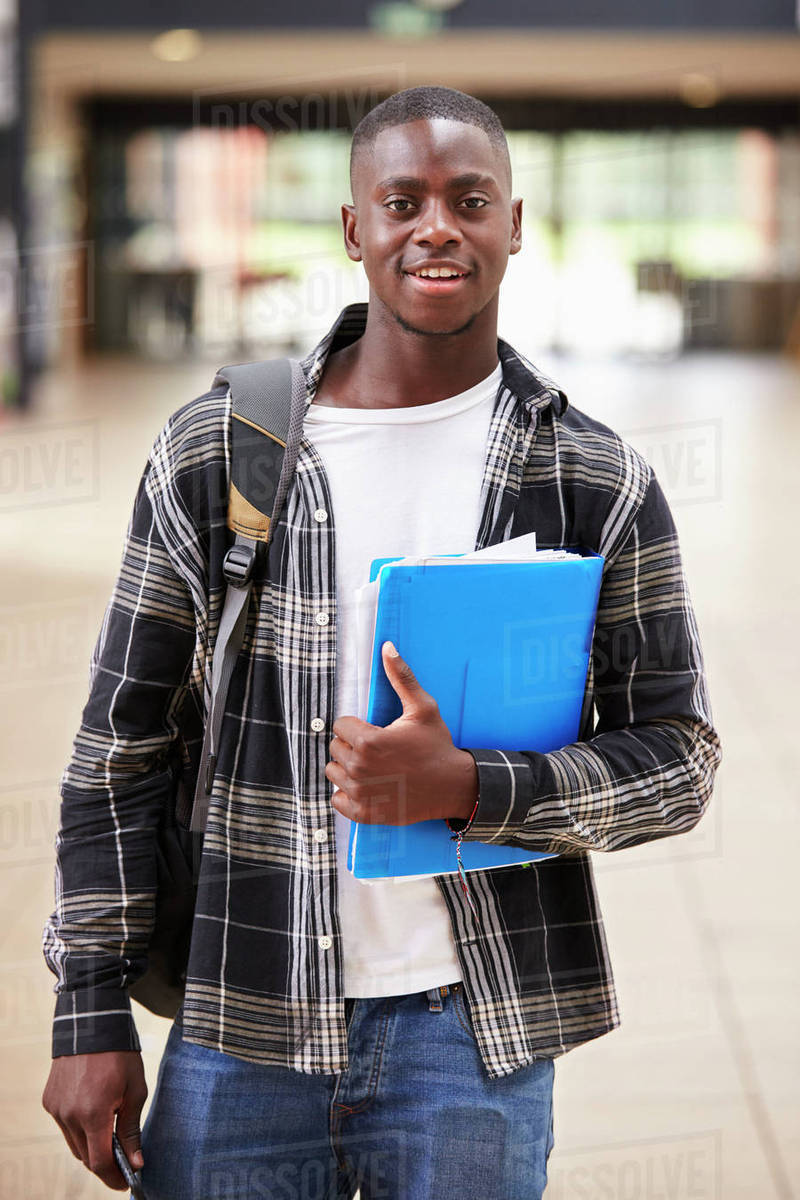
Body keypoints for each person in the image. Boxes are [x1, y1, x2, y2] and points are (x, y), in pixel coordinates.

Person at [41, 86, 722, 1200]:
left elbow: (678, 765)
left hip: (474, 1034)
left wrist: (469, 784)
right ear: (355, 229)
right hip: (239, 1014)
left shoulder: (593, 480)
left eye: (469, 199)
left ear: (514, 222)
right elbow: (120, 747)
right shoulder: (224, 450)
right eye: (400, 201)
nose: (435, 226)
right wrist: (88, 1007)